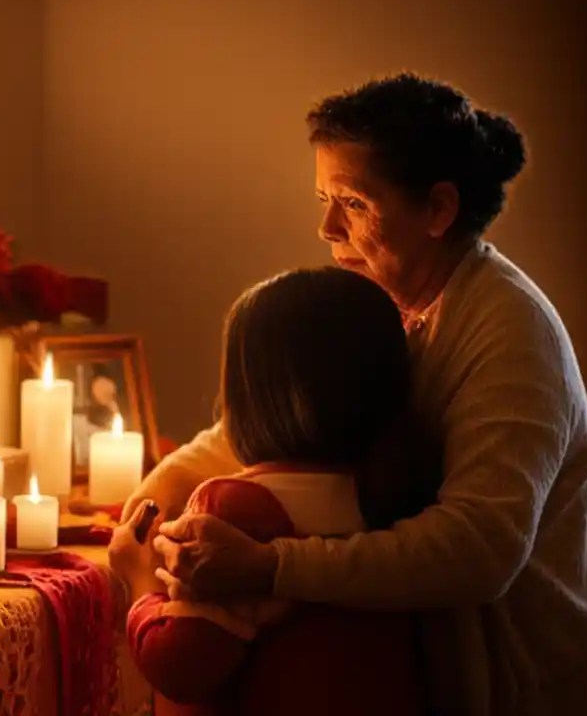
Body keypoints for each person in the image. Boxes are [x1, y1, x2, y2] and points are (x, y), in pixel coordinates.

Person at [127, 73, 587, 714]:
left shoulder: (511, 331)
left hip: (526, 685)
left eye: (354, 203)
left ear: (439, 210)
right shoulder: (383, 305)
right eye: (324, 198)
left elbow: (479, 548)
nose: (327, 228)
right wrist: (143, 512)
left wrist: (270, 566)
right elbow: (272, 424)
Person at [111, 267, 434, 715]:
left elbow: (183, 666)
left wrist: (139, 581)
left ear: (249, 398)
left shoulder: (229, 509)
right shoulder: (399, 492)